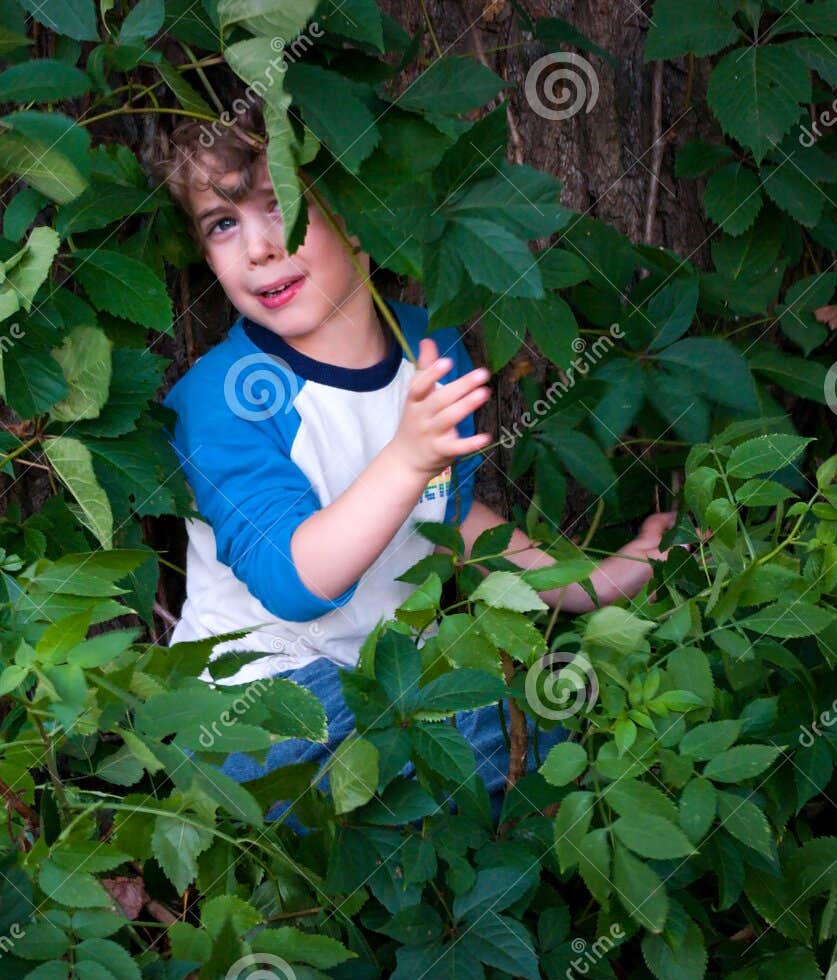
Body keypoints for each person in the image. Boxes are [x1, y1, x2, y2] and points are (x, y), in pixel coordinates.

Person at [147, 102, 677, 825]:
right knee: (484, 737)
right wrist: (404, 456)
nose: (259, 248)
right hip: (251, 709)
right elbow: (296, 584)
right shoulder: (221, 398)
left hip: (388, 687)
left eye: (282, 206)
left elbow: (446, 515)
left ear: (364, 213)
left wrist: (593, 580)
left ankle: (462, 842)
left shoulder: (427, 350)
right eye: (223, 224)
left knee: (546, 713)